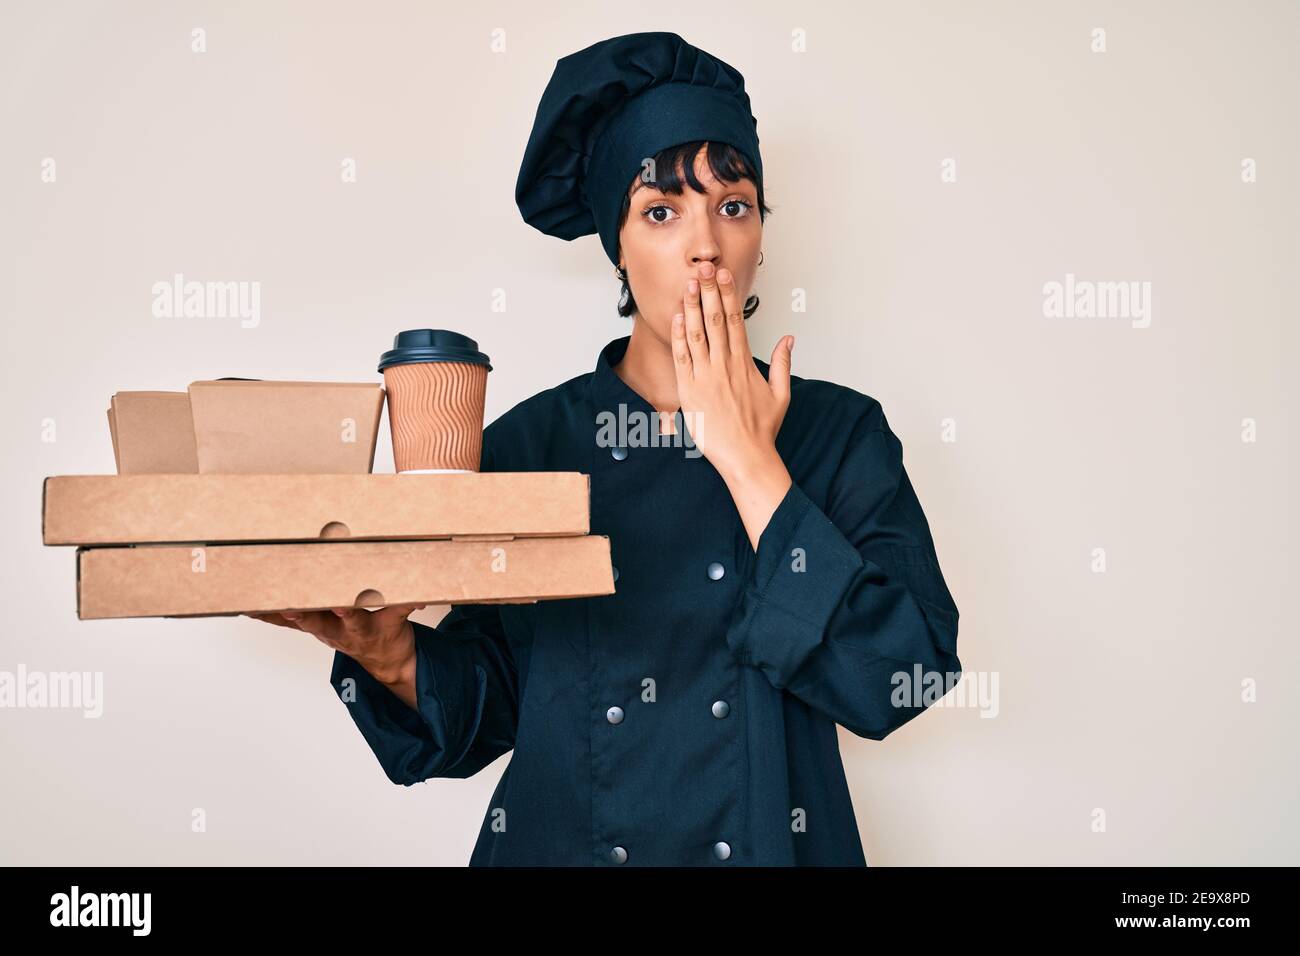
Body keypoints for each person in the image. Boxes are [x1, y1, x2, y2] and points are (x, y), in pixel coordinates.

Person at [248, 31, 961, 866]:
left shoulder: (839, 434)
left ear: (760, 234)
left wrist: (751, 463)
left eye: (734, 205)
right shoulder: (531, 443)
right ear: (616, 246)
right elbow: (495, 704)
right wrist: (390, 652)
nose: (706, 246)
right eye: (661, 212)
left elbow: (899, 675)